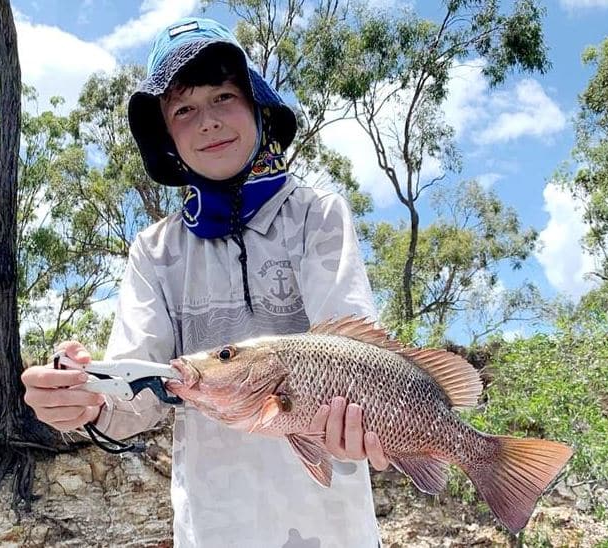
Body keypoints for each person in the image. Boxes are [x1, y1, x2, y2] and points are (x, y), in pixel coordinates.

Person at [21, 16, 387, 547]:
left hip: (337, 528)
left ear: (259, 107)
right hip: (216, 528)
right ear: (167, 137)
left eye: (223, 97)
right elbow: (139, 392)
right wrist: (83, 397)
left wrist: (370, 422)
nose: (208, 122)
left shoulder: (318, 215)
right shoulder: (154, 252)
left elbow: (356, 356)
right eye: (184, 109)